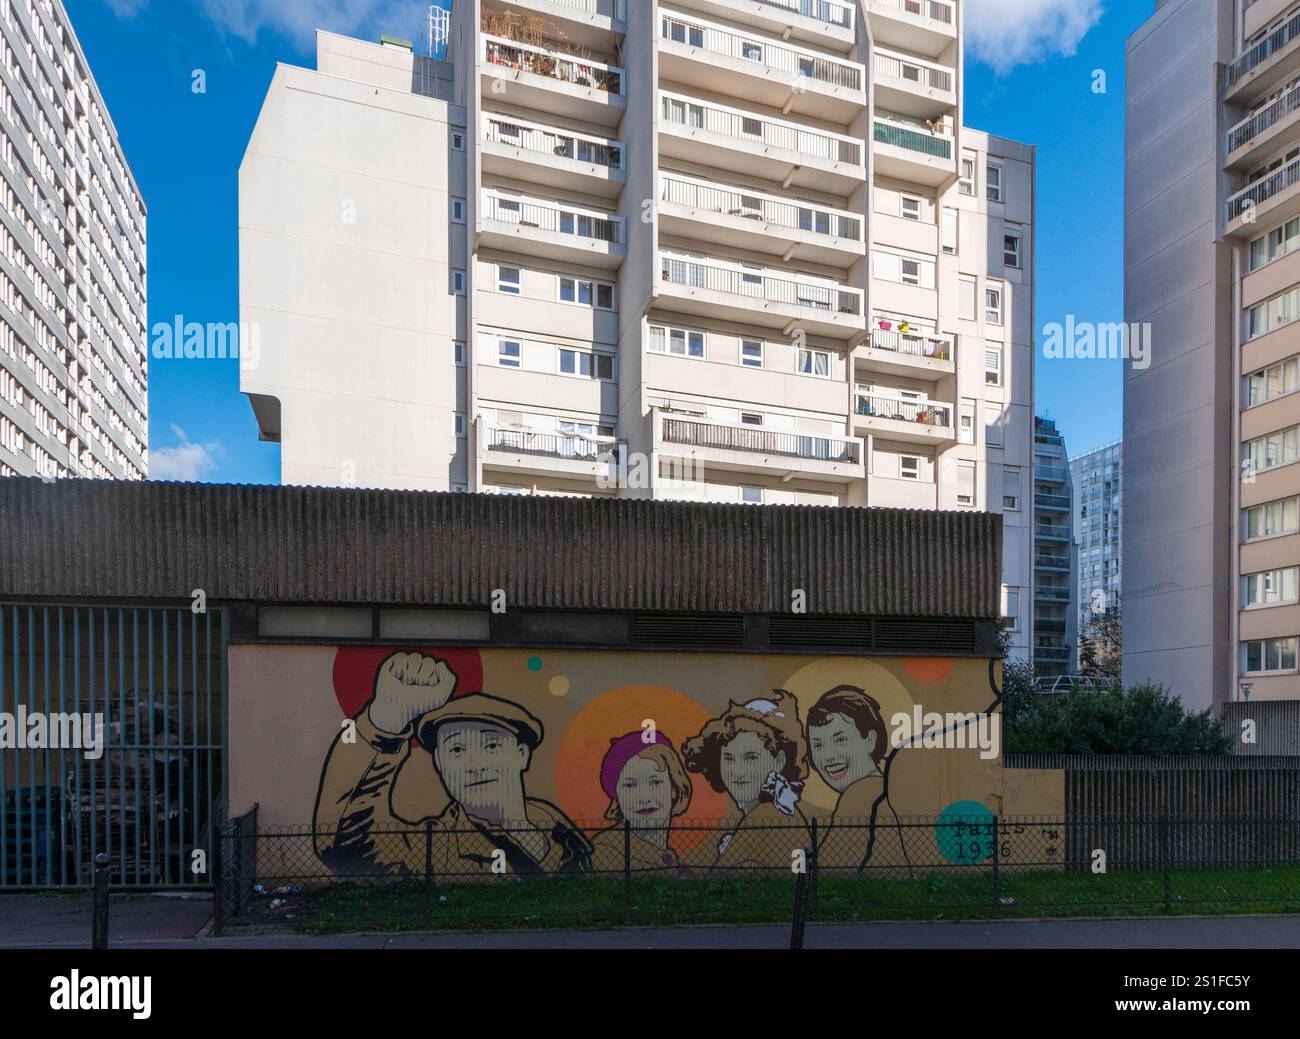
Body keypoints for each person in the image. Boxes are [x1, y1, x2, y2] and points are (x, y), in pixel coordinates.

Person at [315, 651, 592, 877]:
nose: (475, 765)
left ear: (522, 754)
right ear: (439, 763)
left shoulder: (564, 835)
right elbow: (344, 845)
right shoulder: (433, 848)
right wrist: (385, 721)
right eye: (457, 749)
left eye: (492, 745)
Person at [683, 691, 810, 870]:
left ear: (779, 760)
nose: (738, 771)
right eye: (728, 758)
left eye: (751, 758)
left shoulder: (768, 812)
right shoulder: (763, 812)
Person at [804, 684, 909, 875]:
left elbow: (826, 870)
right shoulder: (876, 787)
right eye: (818, 745)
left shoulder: (861, 791)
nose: (829, 757)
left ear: (870, 739)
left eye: (840, 740)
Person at [589, 730, 693, 873]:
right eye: (630, 785)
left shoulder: (670, 861)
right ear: (618, 798)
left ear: (674, 788)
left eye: (655, 782)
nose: (644, 798)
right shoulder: (607, 849)